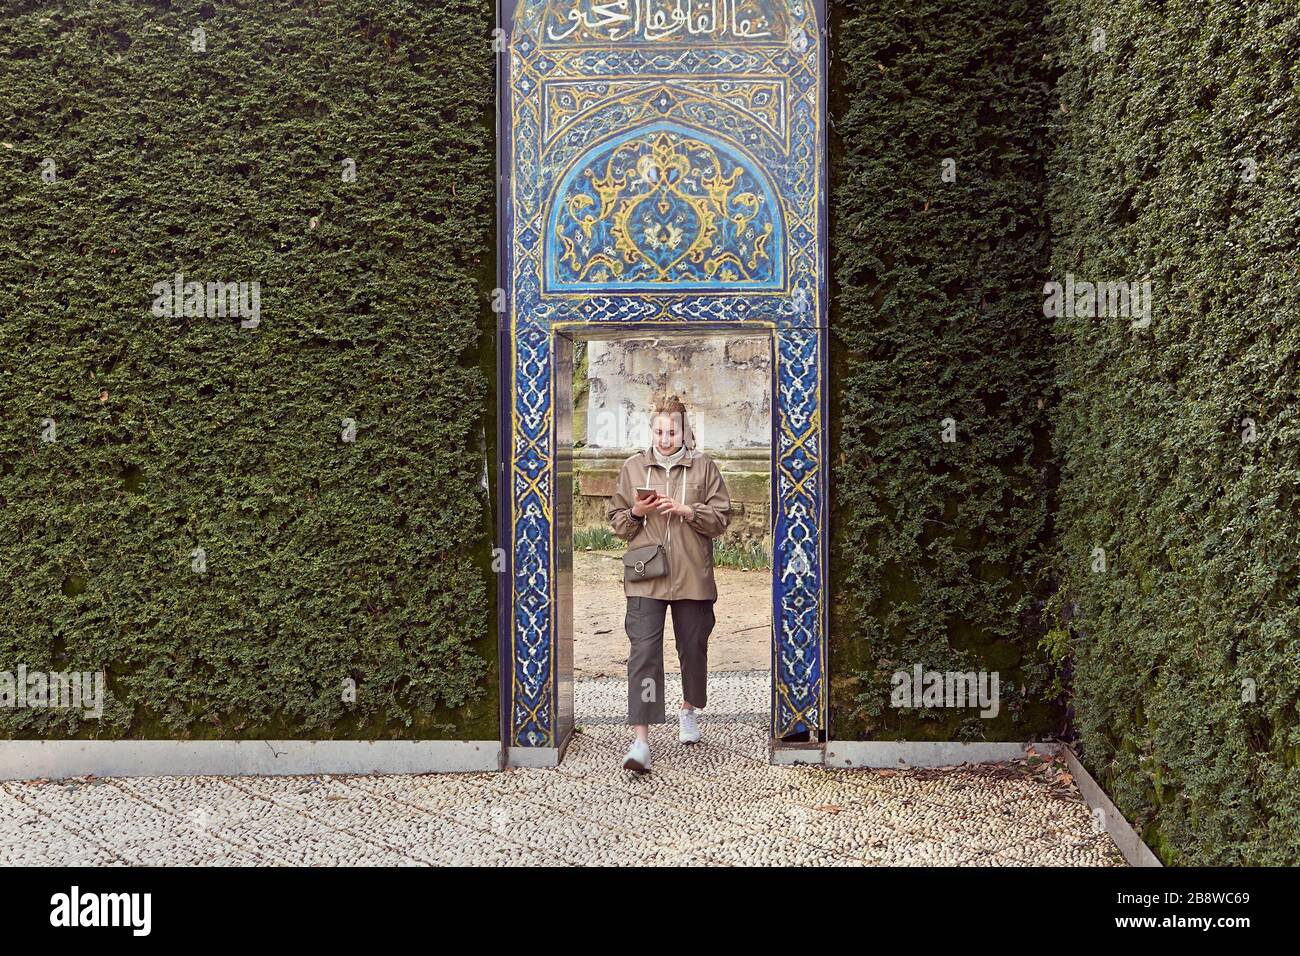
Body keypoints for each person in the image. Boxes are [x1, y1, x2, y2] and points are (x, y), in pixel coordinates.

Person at [607, 394, 732, 772]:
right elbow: (616, 523)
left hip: (692, 577)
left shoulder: (704, 467)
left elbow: (722, 519)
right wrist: (636, 512)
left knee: (692, 648)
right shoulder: (633, 468)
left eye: (672, 431)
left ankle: (689, 708)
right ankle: (641, 740)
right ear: (652, 430)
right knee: (643, 654)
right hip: (646, 577)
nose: (665, 438)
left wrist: (687, 510)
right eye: (659, 431)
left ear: (684, 430)